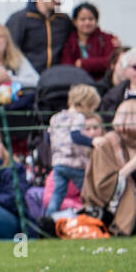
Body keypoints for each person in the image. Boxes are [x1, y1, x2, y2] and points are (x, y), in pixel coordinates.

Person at [81, 99, 136, 236]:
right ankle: (127, 226)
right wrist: (132, 166)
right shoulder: (105, 144)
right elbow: (104, 186)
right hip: (108, 210)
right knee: (128, 186)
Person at [44, 84, 102, 216]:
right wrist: (92, 142)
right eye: (92, 108)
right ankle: (93, 214)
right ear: (85, 104)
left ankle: (48, 217)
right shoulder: (78, 117)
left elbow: (48, 138)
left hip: (58, 163)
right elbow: (75, 136)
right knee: (87, 190)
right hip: (75, 163)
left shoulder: (56, 117)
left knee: (58, 193)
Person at [6, 0, 71, 72]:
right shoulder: (19, 19)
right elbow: (10, 51)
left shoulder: (64, 20)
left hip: (56, 80)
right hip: (29, 81)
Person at [60, 2, 119, 79]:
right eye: (82, 19)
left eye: (91, 19)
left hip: (104, 84)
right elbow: (67, 67)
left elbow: (111, 62)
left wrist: (83, 64)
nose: (87, 23)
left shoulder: (108, 39)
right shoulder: (69, 42)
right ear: (75, 22)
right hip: (76, 84)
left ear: (96, 21)